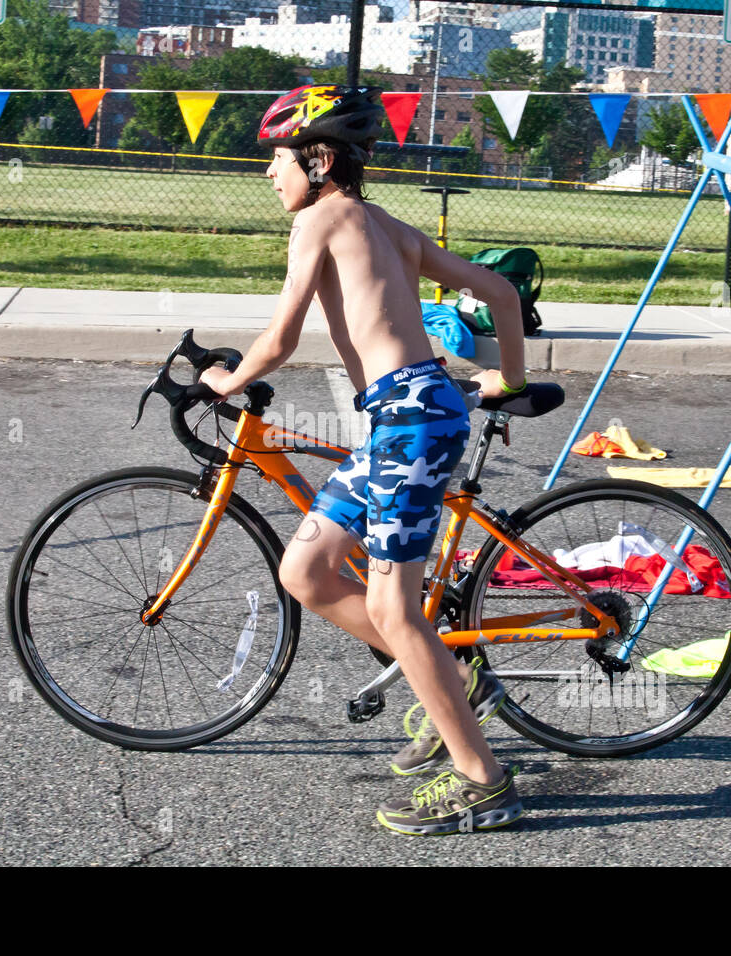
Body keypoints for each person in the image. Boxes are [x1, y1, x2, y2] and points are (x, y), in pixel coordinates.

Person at [198, 85, 529, 835]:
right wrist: (505, 378)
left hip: (410, 423)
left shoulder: (320, 219)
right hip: (403, 418)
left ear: (316, 160)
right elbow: (503, 292)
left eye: (277, 159)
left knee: (390, 606)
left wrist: (229, 380)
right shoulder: (388, 225)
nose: (269, 174)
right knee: (306, 572)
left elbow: (280, 340)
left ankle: (485, 781)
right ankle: (453, 678)